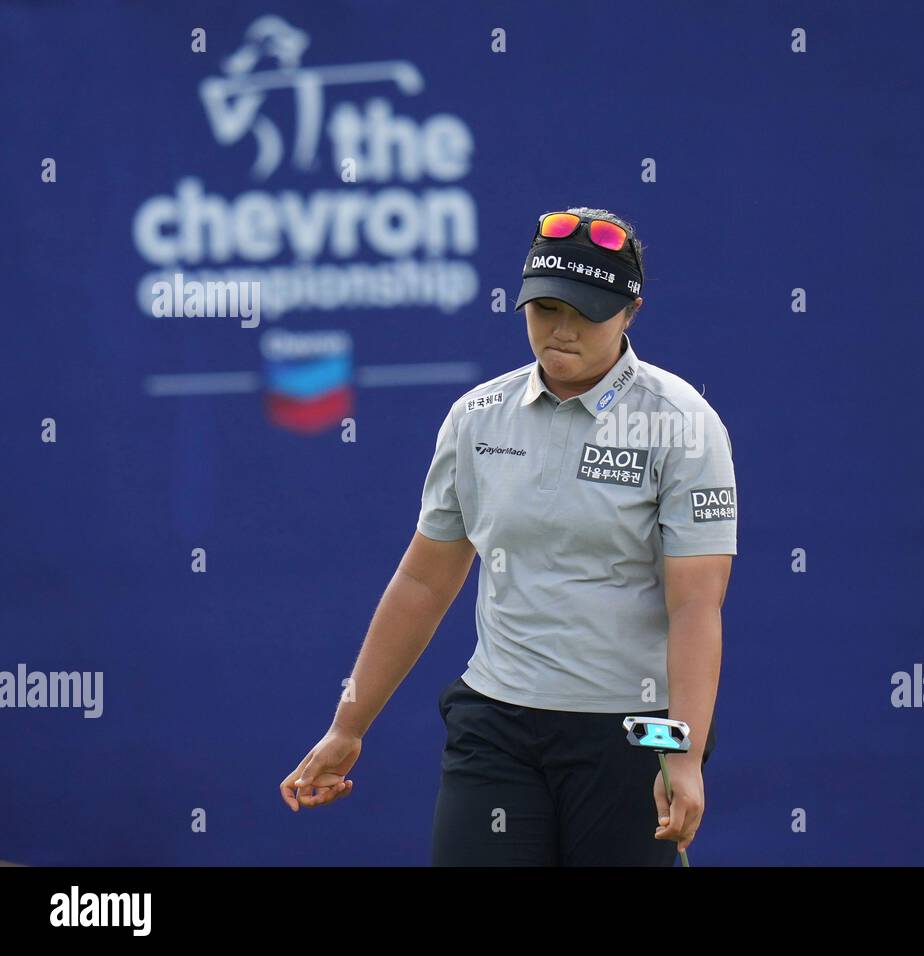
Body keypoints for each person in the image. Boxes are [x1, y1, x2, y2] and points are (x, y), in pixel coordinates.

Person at [279, 207, 738, 866]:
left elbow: (696, 604)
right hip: (496, 725)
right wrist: (347, 726)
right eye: (546, 306)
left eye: (588, 310)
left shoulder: (682, 424)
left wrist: (684, 755)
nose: (563, 327)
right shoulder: (475, 418)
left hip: (631, 734)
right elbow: (424, 579)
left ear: (631, 311)